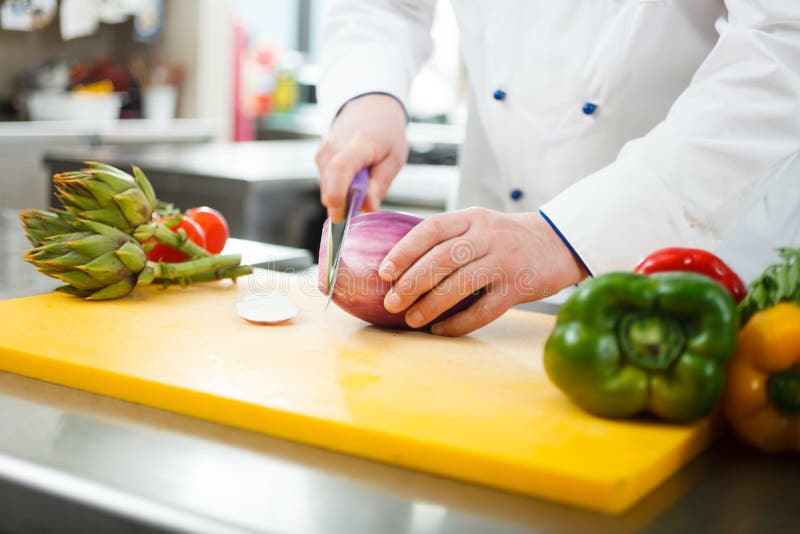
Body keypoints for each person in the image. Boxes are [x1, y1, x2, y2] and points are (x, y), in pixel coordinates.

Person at [315, 1, 800, 336]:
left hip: (700, 239)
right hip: (488, 236)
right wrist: (368, 93)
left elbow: (780, 44)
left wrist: (567, 235)